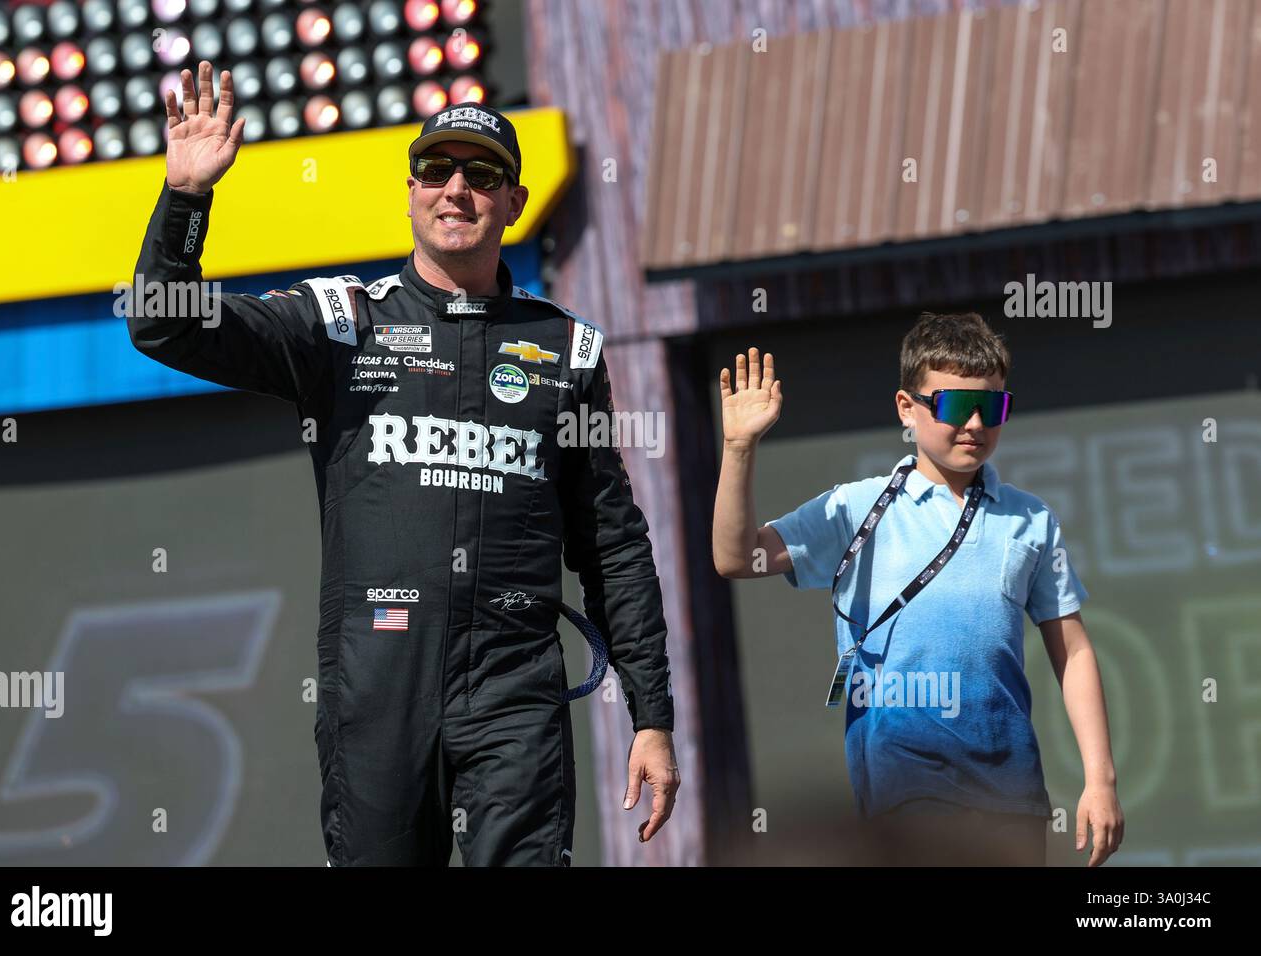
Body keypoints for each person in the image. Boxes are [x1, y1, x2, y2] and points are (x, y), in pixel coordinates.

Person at [128, 60, 679, 866]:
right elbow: (161, 325)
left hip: (513, 689)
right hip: (377, 686)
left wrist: (652, 715)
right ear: (412, 188)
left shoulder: (568, 348)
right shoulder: (342, 322)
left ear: (514, 202)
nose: (456, 188)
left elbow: (613, 547)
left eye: (483, 174)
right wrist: (186, 199)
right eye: (436, 168)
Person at [711, 313, 1124, 866]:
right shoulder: (855, 508)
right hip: (904, 801)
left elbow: (1073, 651)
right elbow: (735, 557)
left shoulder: (1032, 519)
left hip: (1013, 801)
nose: (975, 423)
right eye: (954, 406)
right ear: (907, 408)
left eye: (993, 407)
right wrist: (739, 448)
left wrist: (1100, 780)